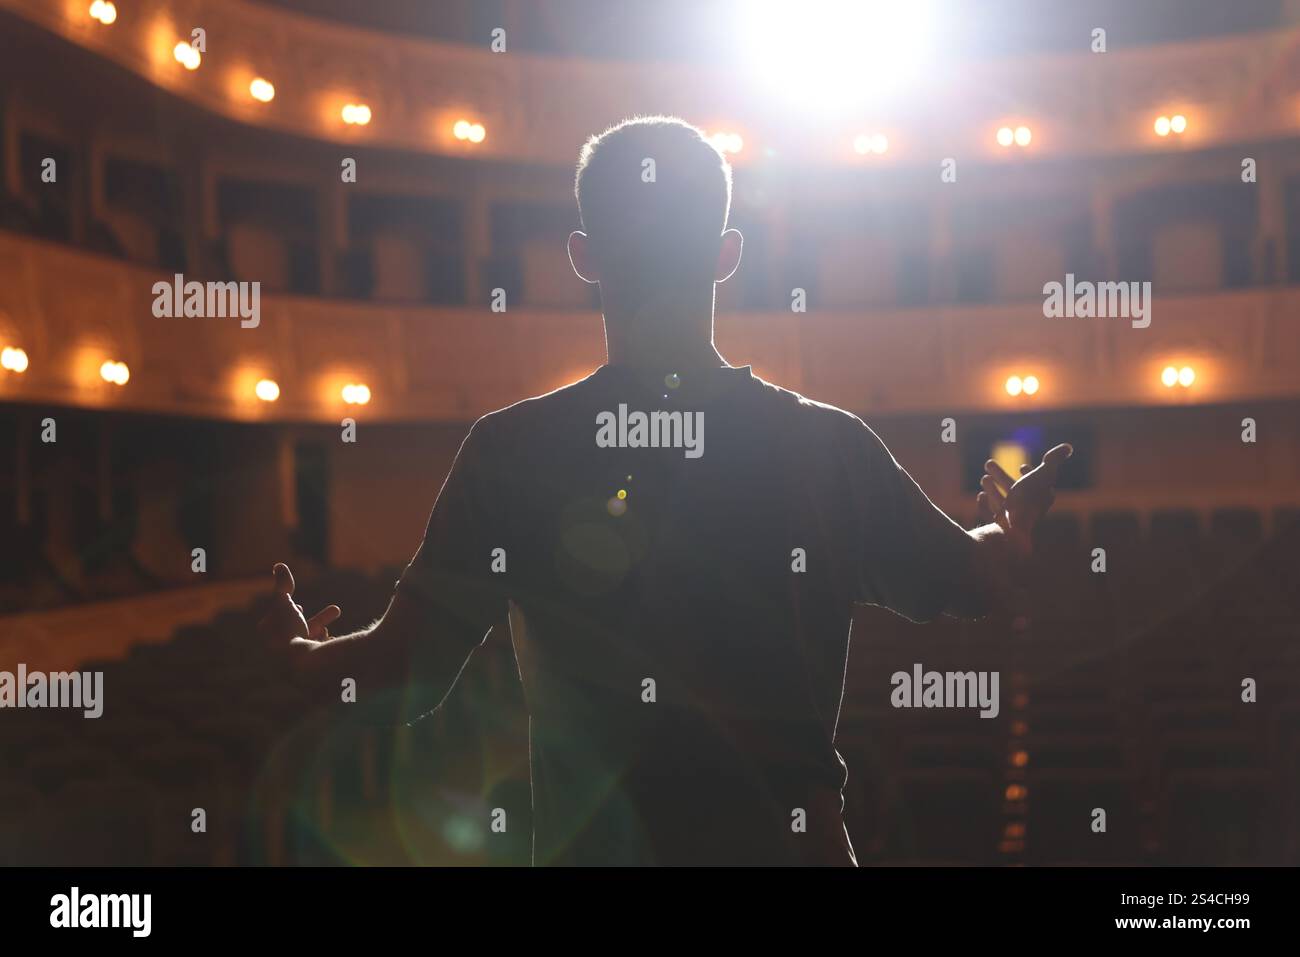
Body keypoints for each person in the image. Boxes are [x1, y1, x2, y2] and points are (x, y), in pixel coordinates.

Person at [259, 116, 1071, 865]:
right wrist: (1011, 532)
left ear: (584, 254)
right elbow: (982, 577)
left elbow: (396, 681)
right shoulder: (829, 449)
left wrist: (300, 657)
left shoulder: (512, 452)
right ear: (726, 253)